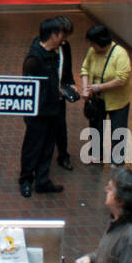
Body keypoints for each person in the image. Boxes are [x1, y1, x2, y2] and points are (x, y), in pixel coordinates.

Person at [19, 17, 65, 198]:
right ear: (53, 35)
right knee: (33, 147)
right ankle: (26, 180)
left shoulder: (54, 53)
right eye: (61, 34)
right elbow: (27, 88)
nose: (63, 38)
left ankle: (43, 181)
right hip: (37, 112)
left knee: (48, 147)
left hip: (53, 109)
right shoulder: (34, 58)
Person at [80, 24, 132, 164]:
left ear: (101, 41)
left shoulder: (120, 54)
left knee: (118, 130)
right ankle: (97, 155)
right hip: (97, 99)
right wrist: (86, 89)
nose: (91, 46)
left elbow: (121, 79)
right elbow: (85, 69)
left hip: (117, 100)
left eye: (93, 43)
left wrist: (100, 87)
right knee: (96, 128)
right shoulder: (92, 51)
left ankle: (117, 160)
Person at [54, 14, 78, 171]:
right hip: (48, 95)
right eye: (64, 35)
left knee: (61, 126)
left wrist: (71, 84)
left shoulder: (65, 46)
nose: (65, 38)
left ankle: (63, 155)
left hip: (61, 95)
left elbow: (67, 68)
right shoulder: (44, 48)